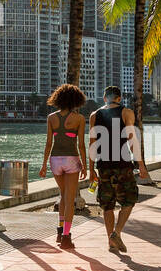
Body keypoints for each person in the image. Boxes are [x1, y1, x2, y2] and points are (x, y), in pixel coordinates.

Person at [88, 85, 150, 254]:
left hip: (104, 166)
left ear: (104, 98)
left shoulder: (94, 115)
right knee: (129, 201)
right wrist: (141, 165)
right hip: (123, 165)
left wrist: (91, 169)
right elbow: (132, 141)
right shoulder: (126, 112)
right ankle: (117, 233)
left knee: (107, 205)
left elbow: (92, 143)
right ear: (119, 98)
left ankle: (111, 241)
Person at [39, 82, 89, 249]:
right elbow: (81, 145)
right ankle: (66, 237)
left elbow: (48, 143)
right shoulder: (79, 119)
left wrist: (44, 164)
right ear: (76, 100)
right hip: (71, 160)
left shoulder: (51, 118)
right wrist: (85, 165)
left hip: (55, 160)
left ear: (58, 99)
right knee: (69, 199)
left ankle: (59, 231)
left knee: (62, 195)